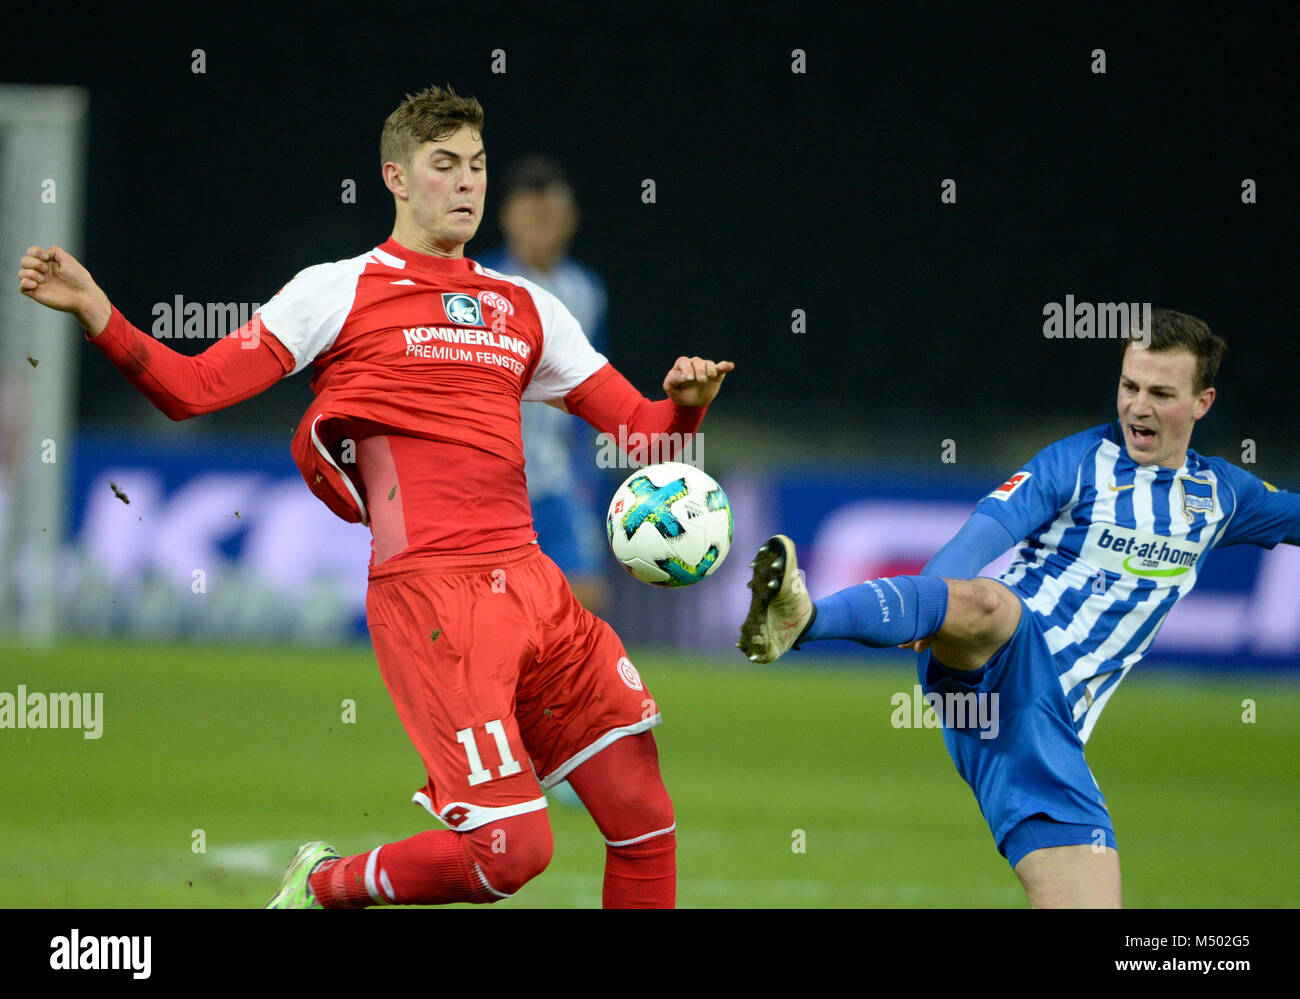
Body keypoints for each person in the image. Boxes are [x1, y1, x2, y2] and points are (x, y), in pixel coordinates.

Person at [18, 85, 733, 909]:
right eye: (443, 166)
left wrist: (686, 401)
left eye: (476, 165)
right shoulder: (337, 290)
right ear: (395, 177)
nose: (466, 183)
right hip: (436, 597)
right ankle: (324, 884)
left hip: (534, 587)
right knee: (510, 852)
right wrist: (99, 311)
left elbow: (643, 437)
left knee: (644, 814)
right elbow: (192, 389)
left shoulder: (528, 306)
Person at [738, 309, 1300, 908]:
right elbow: (981, 537)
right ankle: (803, 618)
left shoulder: (1223, 496)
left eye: (1161, 393)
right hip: (1000, 656)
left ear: (1202, 402)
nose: (1138, 406)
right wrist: (933, 604)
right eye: (1129, 386)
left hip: (1046, 730)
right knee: (988, 601)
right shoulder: (1075, 462)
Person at [476, 156, 611, 614]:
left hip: (555, 481)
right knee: (494, 610)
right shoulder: (478, 285)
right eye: (530, 214)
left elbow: (594, 387)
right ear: (506, 218)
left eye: (550, 215)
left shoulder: (586, 291)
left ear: (570, 220)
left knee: (585, 603)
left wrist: (589, 473)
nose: (541, 226)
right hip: (489, 481)